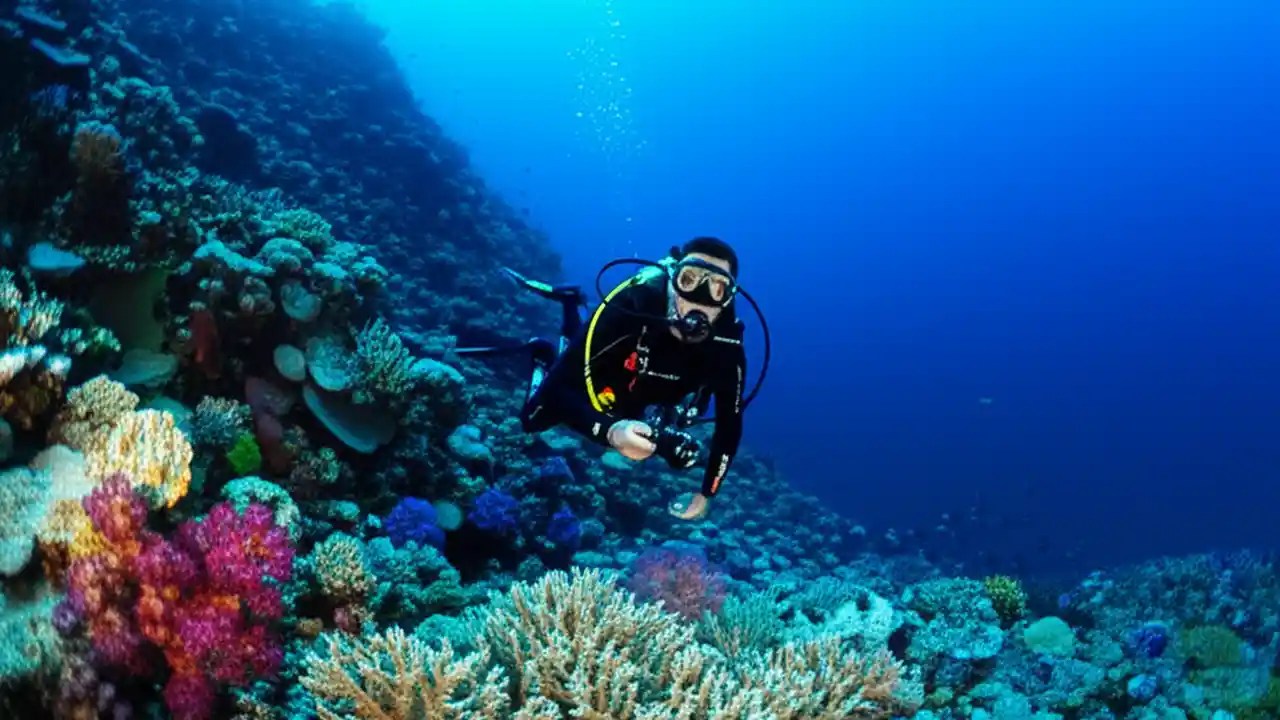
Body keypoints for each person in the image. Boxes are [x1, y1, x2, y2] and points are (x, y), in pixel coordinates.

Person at [499, 237, 747, 521]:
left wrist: (707, 493)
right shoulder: (633, 302)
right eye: (689, 280)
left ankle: (570, 304)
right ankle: (545, 351)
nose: (699, 300)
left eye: (716, 287)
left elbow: (730, 425)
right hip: (609, 372)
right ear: (672, 279)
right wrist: (609, 432)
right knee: (532, 419)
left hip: (646, 395)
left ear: (727, 299)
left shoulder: (727, 345)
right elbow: (558, 390)